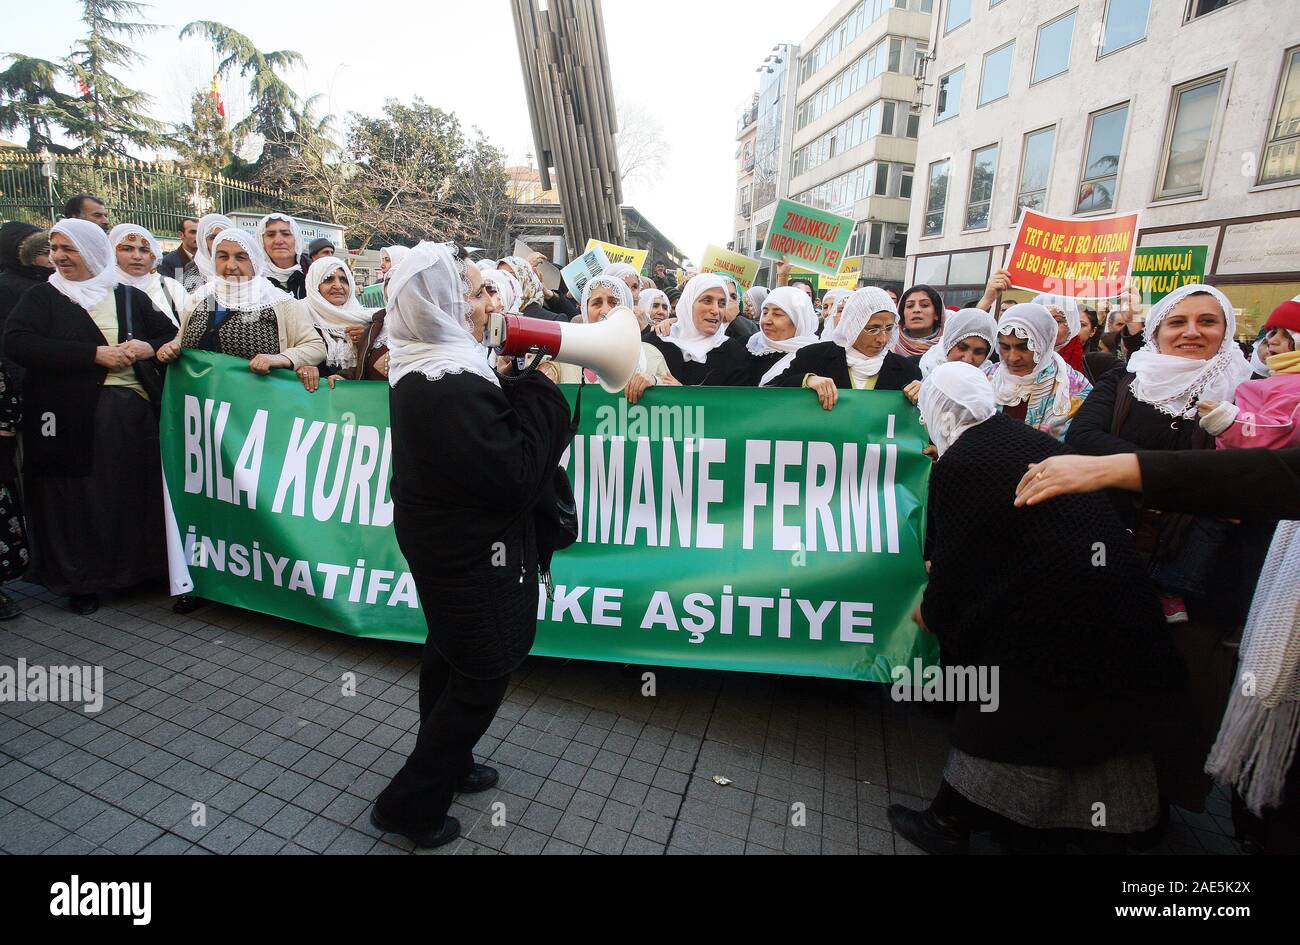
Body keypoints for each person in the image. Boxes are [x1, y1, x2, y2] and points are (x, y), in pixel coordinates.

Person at [888, 361, 1187, 855]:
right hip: (1109, 601)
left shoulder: (963, 462)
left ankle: (955, 824)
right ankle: (1002, 823)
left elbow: (962, 560)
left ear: (938, 410)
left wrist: (935, 609)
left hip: (1054, 617)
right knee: (1084, 727)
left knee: (1007, 716)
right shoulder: (1014, 436)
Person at [369, 241, 575, 848]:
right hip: (469, 547)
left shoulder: (430, 358)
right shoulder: (450, 380)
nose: (486, 304)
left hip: (445, 540)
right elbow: (511, 474)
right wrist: (543, 391)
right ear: (444, 303)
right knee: (481, 672)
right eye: (474, 291)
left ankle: (450, 765)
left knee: (449, 651)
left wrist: (513, 383)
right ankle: (409, 805)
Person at [1064, 283, 1255, 813]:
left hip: (1196, 574)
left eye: (1207, 322)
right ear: (1157, 331)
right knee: (1099, 675)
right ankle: (1085, 798)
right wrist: (1194, 479)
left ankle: (1152, 807)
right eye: (1178, 322)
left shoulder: (1254, 394)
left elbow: (1256, 472)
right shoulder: (1125, 382)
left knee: (1177, 687)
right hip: (1112, 552)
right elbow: (1084, 441)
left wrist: (1137, 470)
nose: (1192, 332)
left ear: (1227, 332)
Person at [4, 219, 177, 615]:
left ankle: (139, 572)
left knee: (131, 493)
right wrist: (93, 355)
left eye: (70, 248)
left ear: (93, 251)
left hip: (129, 416)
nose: (60, 257)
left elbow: (168, 334)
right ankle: (82, 580)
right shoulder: (42, 298)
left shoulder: (129, 297)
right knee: (77, 501)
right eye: (55, 248)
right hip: (64, 418)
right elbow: (18, 343)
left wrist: (146, 348)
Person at [156, 228, 326, 392]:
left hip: (252, 406)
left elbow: (315, 346)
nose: (231, 266)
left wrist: (281, 359)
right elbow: (182, 336)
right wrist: (173, 346)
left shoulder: (279, 301)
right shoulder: (200, 296)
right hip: (202, 406)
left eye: (241, 257)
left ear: (255, 261)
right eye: (223, 257)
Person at [770, 287, 920, 407]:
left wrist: (924, 395)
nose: (882, 339)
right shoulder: (814, 357)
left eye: (888, 328)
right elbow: (770, 392)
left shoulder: (906, 370)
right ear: (853, 325)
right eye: (872, 329)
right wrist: (806, 380)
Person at [540, 274, 675, 404]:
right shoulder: (564, 355)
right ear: (585, 311)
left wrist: (655, 382)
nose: (605, 310)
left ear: (626, 308)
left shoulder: (651, 355)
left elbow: (676, 404)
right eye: (597, 303)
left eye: (613, 302)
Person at [986, 302, 1091, 441]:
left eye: (1024, 347)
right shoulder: (986, 378)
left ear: (1044, 344)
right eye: (1005, 347)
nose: (1013, 357)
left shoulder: (1074, 388)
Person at [646, 273, 753, 386]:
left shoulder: (733, 353)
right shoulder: (654, 343)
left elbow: (737, 401)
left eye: (722, 303)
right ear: (689, 303)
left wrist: (682, 395)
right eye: (707, 301)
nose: (716, 310)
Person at [303, 256, 381, 381]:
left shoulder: (370, 320)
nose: (338, 286)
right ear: (315, 285)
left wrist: (367, 340)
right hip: (317, 396)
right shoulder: (301, 315)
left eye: (344, 280)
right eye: (328, 279)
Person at [903, 307, 999, 405]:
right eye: (962, 347)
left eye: (978, 352)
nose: (967, 359)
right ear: (948, 342)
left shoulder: (993, 383)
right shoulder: (913, 369)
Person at [108, 224, 187, 327]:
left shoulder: (171, 287)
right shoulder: (104, 290)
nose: (137, 256)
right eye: (127, 249)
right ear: (113, 253)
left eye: (144, 250)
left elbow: (190, 330)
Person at [748, 286, 820, 386]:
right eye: (765, 313)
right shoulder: (751, 347)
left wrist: (805, 380)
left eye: (777, 314)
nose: (766, 321)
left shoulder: (817, 356)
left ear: (798, 320)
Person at [1032, 293, 1086, 373]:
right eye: (1043, 320)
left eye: (1057, 321)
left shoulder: (1089, 363)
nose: (1050, 326)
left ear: (1071, 324)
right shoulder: (1018, 355)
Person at [257, 212, 307, 299]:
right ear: (261, 242)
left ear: (297, 239)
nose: (278, 241)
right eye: (271, 235)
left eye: (286, 234)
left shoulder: (315, 275)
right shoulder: (252, 280)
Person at [893, 285, 945, 358]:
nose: (916, 310)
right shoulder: (889, 347)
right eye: (910, 306)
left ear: (936, 314)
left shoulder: (946, 348)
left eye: (924, 305)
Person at [158, 218, 203, 292]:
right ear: (181, 235)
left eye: (200, 233)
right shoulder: (167, 262)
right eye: (193, 232)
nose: (198, 236)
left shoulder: (209, 259)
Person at [193, 213, 236, 285]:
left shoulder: (243, 265)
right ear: (203, 241)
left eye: (224, 236)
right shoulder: (190, 273)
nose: (219, 241)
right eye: (213, 237)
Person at [718, 273, 758, 341]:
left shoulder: (749, 326)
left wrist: (734, 321)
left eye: (733, 297)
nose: (728, 300)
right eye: (723, 294)